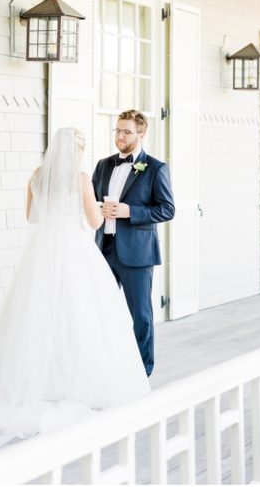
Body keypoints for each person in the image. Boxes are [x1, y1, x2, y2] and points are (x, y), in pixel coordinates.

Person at [0, 127, 150, 440]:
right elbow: (94, 222)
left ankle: (30, 379)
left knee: (35, 311)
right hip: (73, 247)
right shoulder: (80, 178)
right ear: (77, 151)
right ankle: (68, 380)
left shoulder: (37, 175)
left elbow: (32, 217)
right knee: (79, 312)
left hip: (42, 249)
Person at [92, 109, 176, 377]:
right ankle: (105, 364)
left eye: (126, 131)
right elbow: (93, 200)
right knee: (99, 310)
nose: (120, 136)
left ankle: (142, 372)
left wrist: (131, 212)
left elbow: (167, 209)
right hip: (103, 250)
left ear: (141, 133)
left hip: (137, 254)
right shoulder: (104, 165)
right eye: (117, 130)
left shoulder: (155, 168)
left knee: (140, 315)